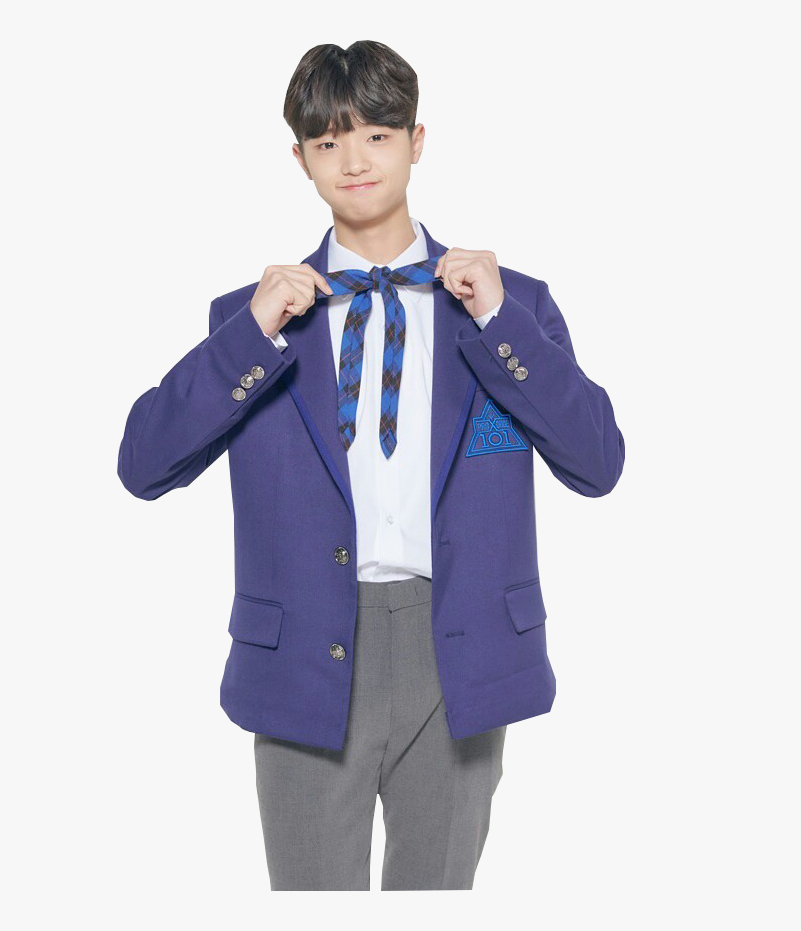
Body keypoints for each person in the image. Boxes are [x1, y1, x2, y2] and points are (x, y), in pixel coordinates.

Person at [117, 40, 625, 891]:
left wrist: (500, 322)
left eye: (377, 136)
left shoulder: (512, 304)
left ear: (417, 141)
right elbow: (143, 463)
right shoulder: (254, 316)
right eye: (328, 142)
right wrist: (252, 333)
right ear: (301, 159)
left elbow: (598, 462)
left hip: (459, 653)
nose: (353, 161)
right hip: (304, 655)